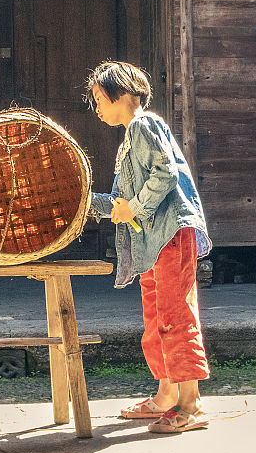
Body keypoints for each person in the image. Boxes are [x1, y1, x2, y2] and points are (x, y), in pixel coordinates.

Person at [85, 61, 213, 433]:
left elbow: (166, 174)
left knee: (175, 316)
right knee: (158, 318)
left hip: (170, 233)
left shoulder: (143, 124)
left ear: (123, 94)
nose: (96, 107)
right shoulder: (130, 138)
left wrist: (135, 208)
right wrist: (84, 200)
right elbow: (122, 202)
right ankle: (165, 396)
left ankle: (191, 406)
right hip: (152, 241)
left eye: (99, 98)